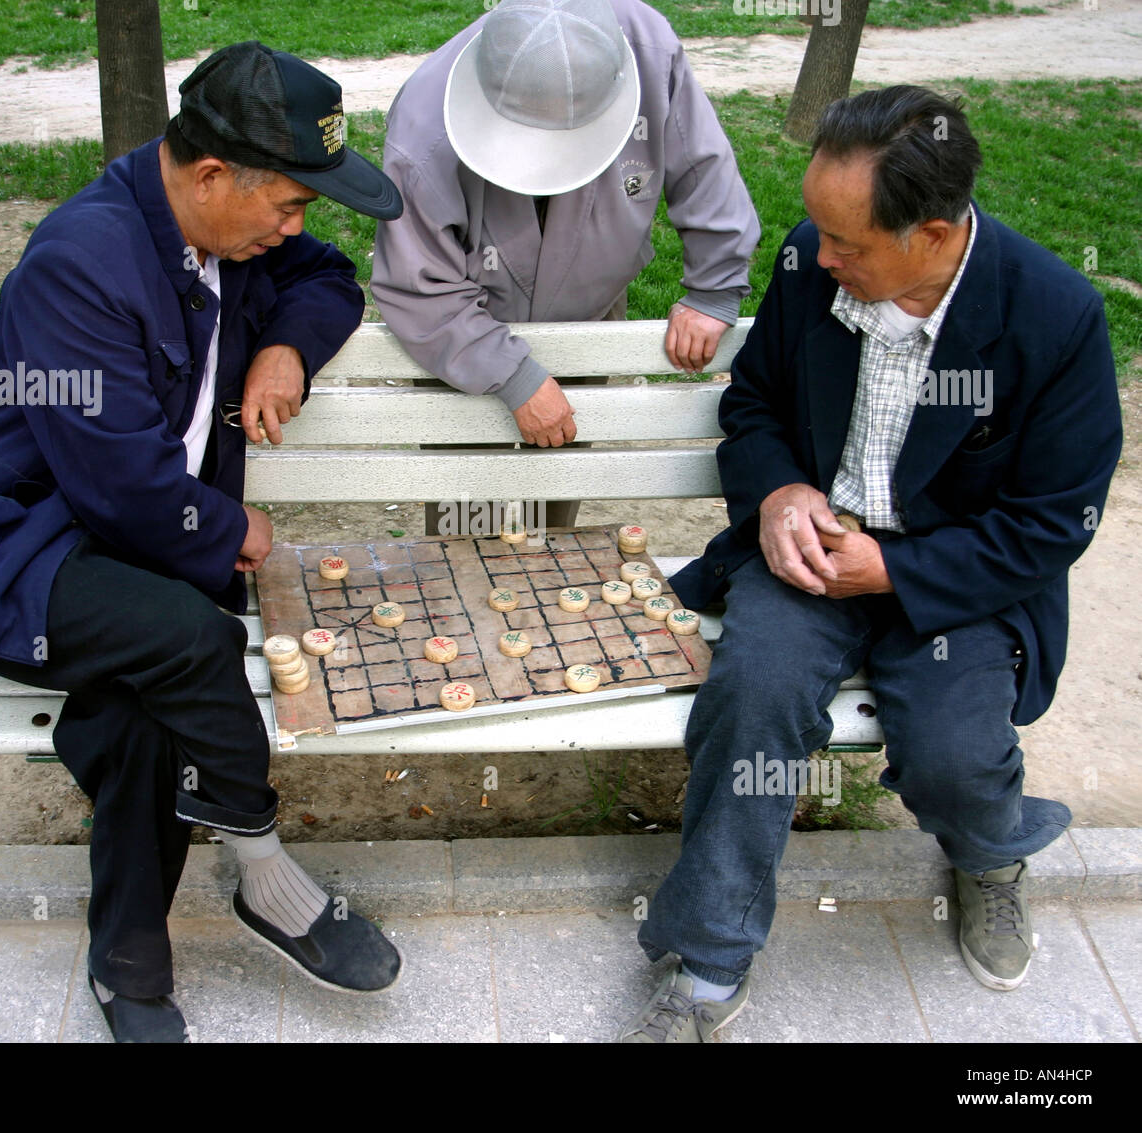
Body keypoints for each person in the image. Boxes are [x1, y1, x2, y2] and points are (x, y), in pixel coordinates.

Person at [0, 42, 405, 1043]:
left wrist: (285, 347)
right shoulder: (82, 261)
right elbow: (123, 488)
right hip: (17, 556)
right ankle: (263, 867)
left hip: (132, 559)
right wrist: (233, 528)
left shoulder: (226, 229)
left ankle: (129, 969)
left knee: (138, 713)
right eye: (291, 204)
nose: (297, 226)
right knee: (192, 640)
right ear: (212, 174)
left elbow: (330, 277)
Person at [618, 85, 1123, 1043]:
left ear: (931, 235)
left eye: (846, 243)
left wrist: (894, 573)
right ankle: (710, 957)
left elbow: (1055, 522)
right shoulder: (819, 258)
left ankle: (989, 855)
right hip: (810, 554)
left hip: (955, 579)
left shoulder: (1054, 317)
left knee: (955, 755)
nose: (819, 255)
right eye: (817, 230)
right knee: (752, 699)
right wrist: (778, 496)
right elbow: (754, 404)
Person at [371, 0, 759, 534]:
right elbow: (418, 286)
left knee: (554, 517)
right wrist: (511, 376)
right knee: (463, 514)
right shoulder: (423, 127)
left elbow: (702, 164)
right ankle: (463, 572)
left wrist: (714, 288)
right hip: (459, 337)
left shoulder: (648, 45)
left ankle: (549, 569)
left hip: (588, 314)